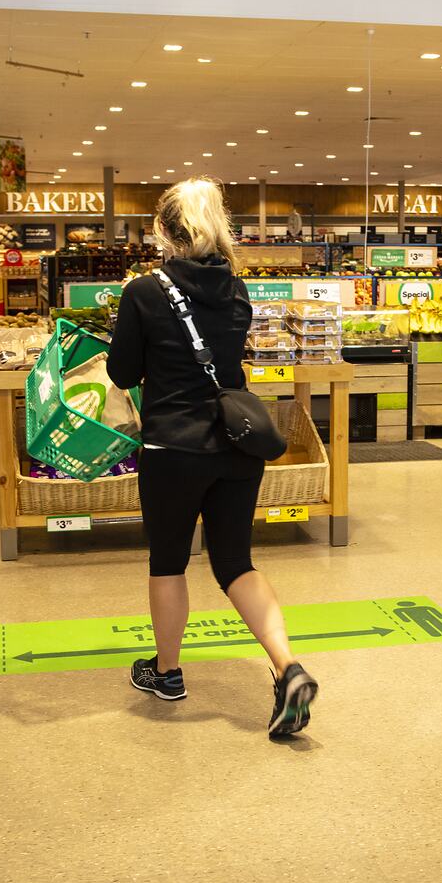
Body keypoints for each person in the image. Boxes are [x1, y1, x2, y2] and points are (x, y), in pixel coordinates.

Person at [107, 177, 318, 738]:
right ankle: (287, 666)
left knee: (169, 560)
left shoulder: (144, 291)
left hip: (172, 448)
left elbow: (123, 373)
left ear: (163, 230)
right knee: (236, 563)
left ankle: (168, 672)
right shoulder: (237, 290)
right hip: (236, 445)